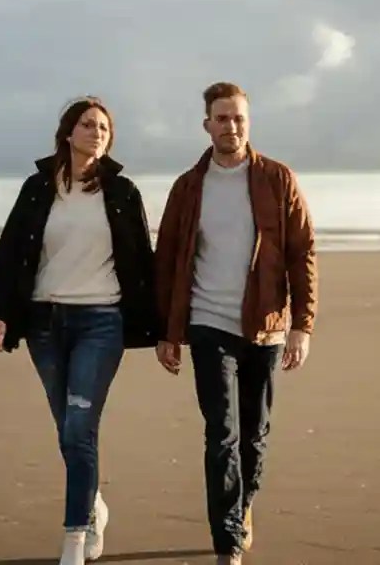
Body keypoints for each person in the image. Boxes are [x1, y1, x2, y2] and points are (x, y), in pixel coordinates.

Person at [0, 96, 159, 565]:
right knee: (68, 429)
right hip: (44, 322)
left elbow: (143, 262)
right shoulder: (38, 188)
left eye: (104, 127)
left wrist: (163, 328)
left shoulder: (123, 193)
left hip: (101, 320)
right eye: (87, 124)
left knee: (79, 427)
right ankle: (92, 501)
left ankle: (76, 537)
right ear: (68, 133)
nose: (96, 132)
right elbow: (10, 251)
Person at [153, 82, 319, 564]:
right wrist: (168, 331)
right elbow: (168, 260)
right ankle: (226, 542)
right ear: (207, 125)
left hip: (265, 325)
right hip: (208, 323)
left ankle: (244, 505)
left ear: (249, 122)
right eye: (222, 118)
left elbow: (302, 252)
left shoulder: (277, 179)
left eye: (239, 118)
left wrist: (302, 325)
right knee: (220, 433)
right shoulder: (189, 187)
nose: (231, 126)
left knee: (254, 434)